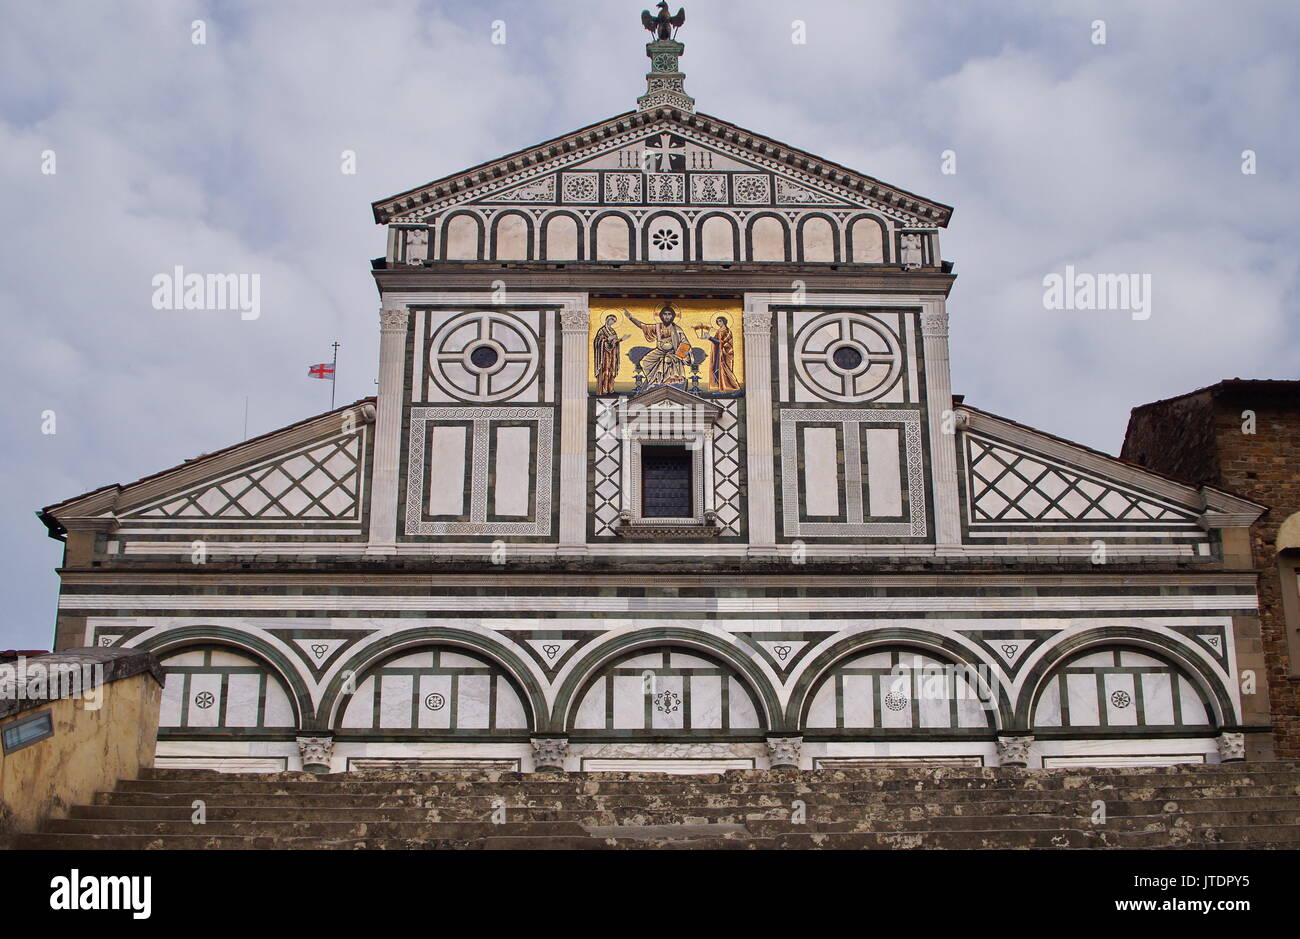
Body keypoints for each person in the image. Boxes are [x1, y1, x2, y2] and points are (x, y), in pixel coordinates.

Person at [623, 305, 690, 387]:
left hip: (673, 352)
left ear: (672, 316)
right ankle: (654, 380)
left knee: (667, 360)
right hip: (660, 351)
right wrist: (631, 318)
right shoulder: (657, 327)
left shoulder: (677, 329)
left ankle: (670, 380)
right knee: (644, 362)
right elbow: (642, 326)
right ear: (661, 316)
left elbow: (685, 342)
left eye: (669, 314)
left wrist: (680, 354)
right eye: (665, 314)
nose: (667, 316)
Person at [704, 315, 741, 393]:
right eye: (717, 322)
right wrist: (709, 338)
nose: (718, 323)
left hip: (725, 354)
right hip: (718, 354)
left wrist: (710, 338)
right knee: (716, 370)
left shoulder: (727, 331)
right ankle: (721, 388)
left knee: (726, 371)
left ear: (724, 321)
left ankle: (737, 388)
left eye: (720, 321)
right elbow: (716, 342)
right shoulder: (718, 331)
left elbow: (725, 343)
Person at [593, 314, 628, 394]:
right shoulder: (602, 330)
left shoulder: (612, 331)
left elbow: (614, 342)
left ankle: (611, 389)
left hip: (612, 354)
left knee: (612, 371)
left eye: (614, 321)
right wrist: (606, 340)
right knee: (605, 371)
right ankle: (604, 390)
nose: (613, 322)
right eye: (612, 320)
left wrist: (621, 339)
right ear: (608, 320)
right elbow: (597, 341)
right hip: (604, 355)